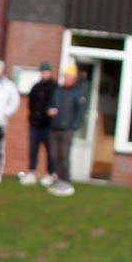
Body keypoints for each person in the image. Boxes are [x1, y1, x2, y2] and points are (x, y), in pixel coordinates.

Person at [47, 63, 87, 197]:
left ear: (74, 78)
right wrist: (50, 111)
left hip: (67, 129)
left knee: (64, 156)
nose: (66, 79)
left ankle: (66, 181)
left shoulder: (78, 92)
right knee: (54, 155)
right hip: (55, 127)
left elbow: (81, 112)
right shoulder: (58, 90)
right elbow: (51, 103)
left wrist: (73, 126)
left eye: (69, 76)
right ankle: (59, 180)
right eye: (65, 76)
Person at [19, 62, 57, 186]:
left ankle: (50, 173)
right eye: (42, 72)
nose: (44, 74)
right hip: (35, 124)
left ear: (50, 72)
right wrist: (31, 119)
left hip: (48, 125)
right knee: (33, 149)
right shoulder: (36, 87)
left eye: (46, 72)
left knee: (50, 150)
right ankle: (31, 172)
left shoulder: (55, 87)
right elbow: (31, 104)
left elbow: (55, 105)